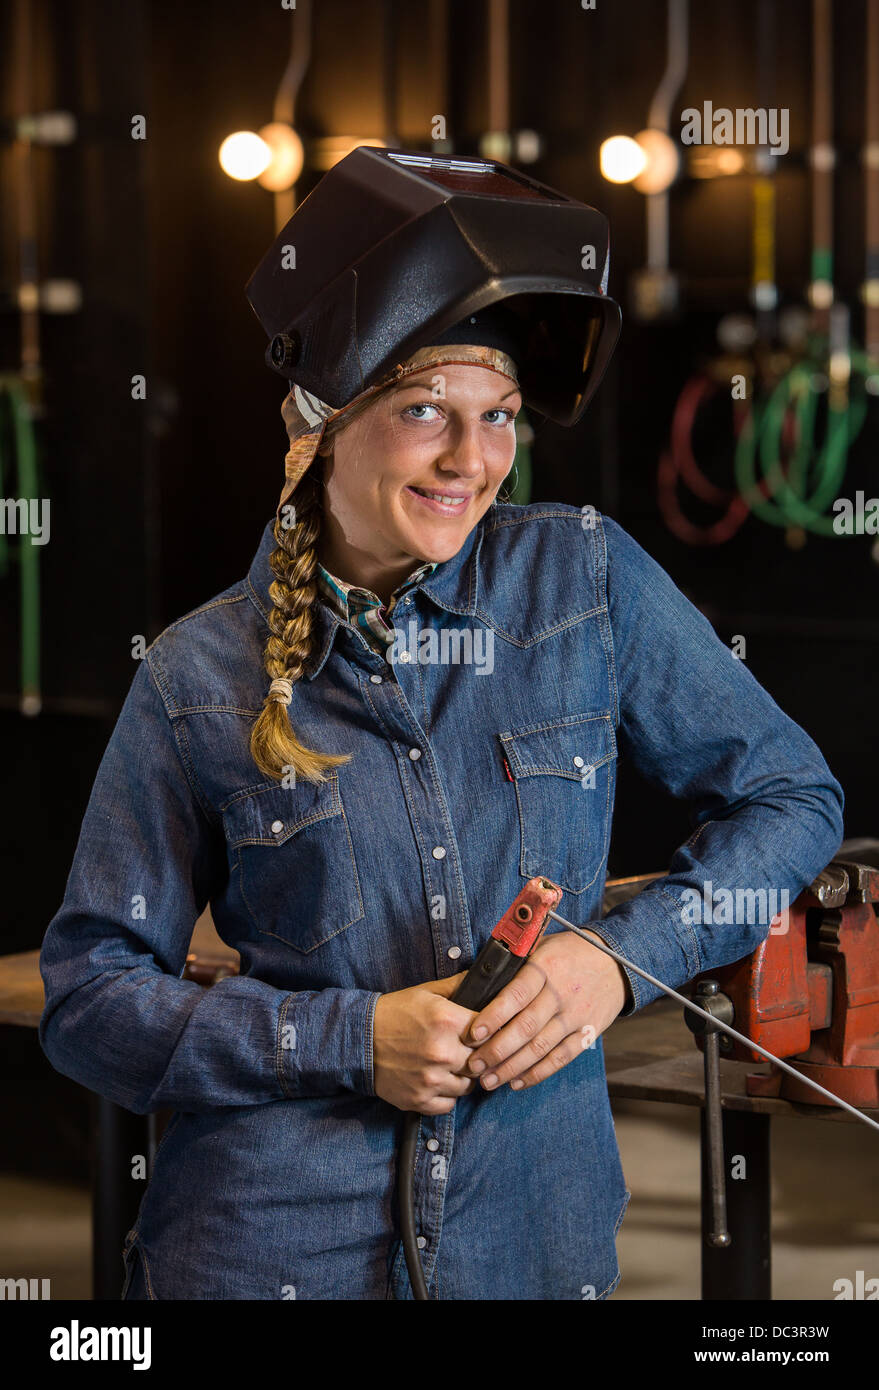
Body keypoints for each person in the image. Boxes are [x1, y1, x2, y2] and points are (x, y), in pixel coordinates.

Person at [39, 149, 844, 1301]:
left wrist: (614, 965)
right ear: (323, 425)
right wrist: (350, 1038)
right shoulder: (194, 677)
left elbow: (794, 800)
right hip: (268, 1257)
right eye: (426, 412)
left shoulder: (583, 580)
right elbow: (90, 998)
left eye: (501, 416)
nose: (475, 461)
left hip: (528, 1249)